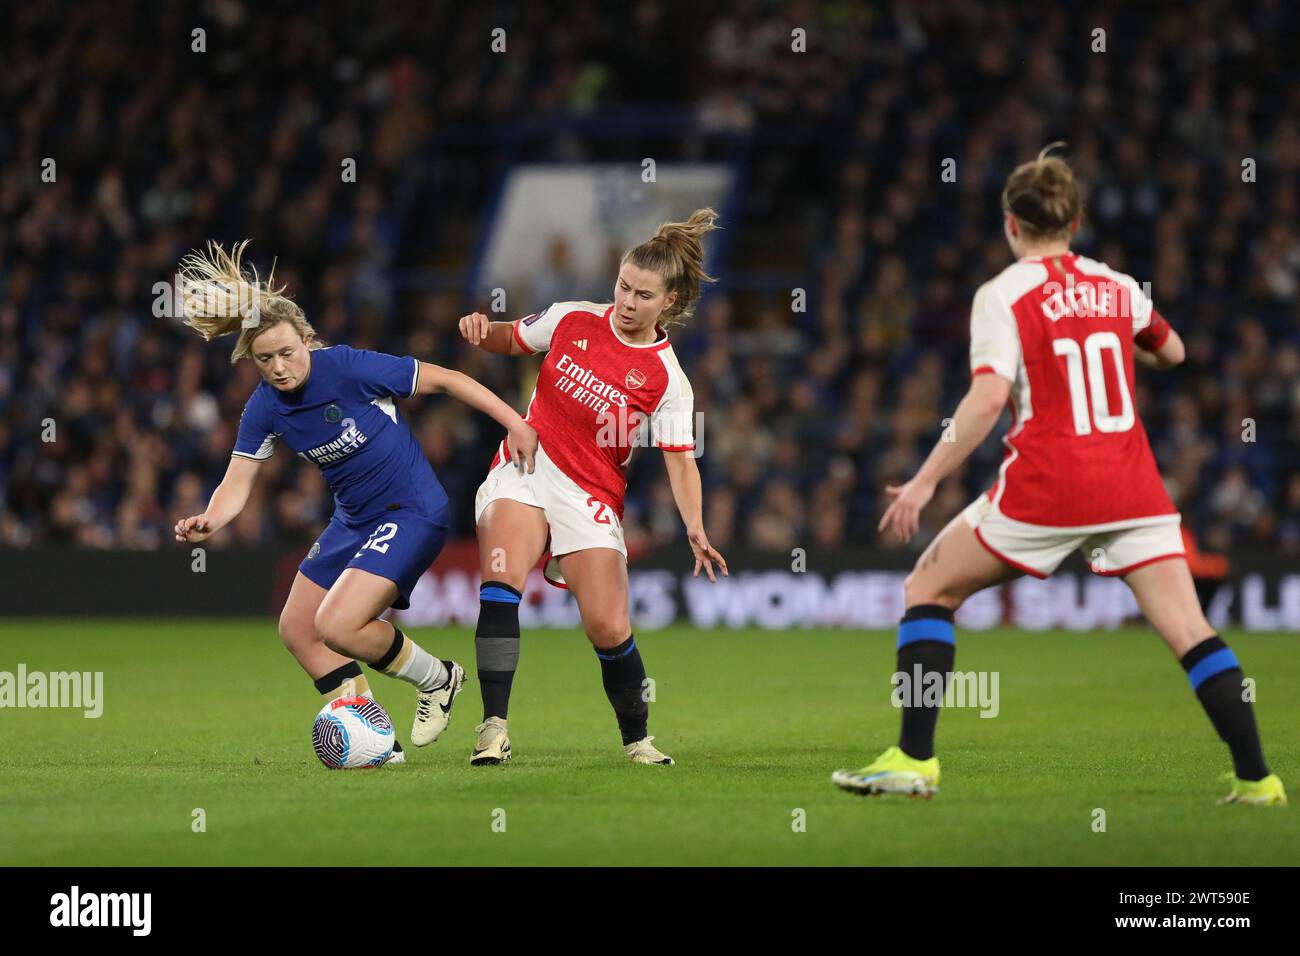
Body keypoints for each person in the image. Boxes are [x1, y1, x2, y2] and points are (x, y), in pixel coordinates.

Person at [832, 146, 1286, 806]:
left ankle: (913, 760)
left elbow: (988, 398)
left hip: (1050, 485)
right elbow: (1175, 351)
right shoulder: (1117, 285)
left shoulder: (1002, 294)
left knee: (927, 587)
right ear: (1075, 224)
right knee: (1191, 632)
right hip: (1131, 486)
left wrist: (926, 480)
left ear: (1011, 225)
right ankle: (1258, 780)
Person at [172, 240, 538, 762]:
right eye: (264, 359)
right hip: (354, 520)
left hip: (411, 510)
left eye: (286, 352)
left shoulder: (345, 367)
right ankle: (376, 740)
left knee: (337, 626)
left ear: (306, 340)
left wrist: (516, 422)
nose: (278, 367)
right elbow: (237, 481)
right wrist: (210, 518)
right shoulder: (264, 408)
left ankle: (439, 679)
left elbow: (449, 380)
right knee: (298, 629)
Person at [457, 209, 728, 766]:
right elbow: (515, 340)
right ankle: (493, 727)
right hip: (526, 466)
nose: (627, 301)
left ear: (668, 303)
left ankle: (637, 740)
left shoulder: (668, 381)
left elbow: (681, 462)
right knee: (501, 579)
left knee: (608, 626)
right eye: (624, 286)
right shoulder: (573, 318)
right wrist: (486, 333)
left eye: (643, 295)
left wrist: (695, 527)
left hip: (590, 494)